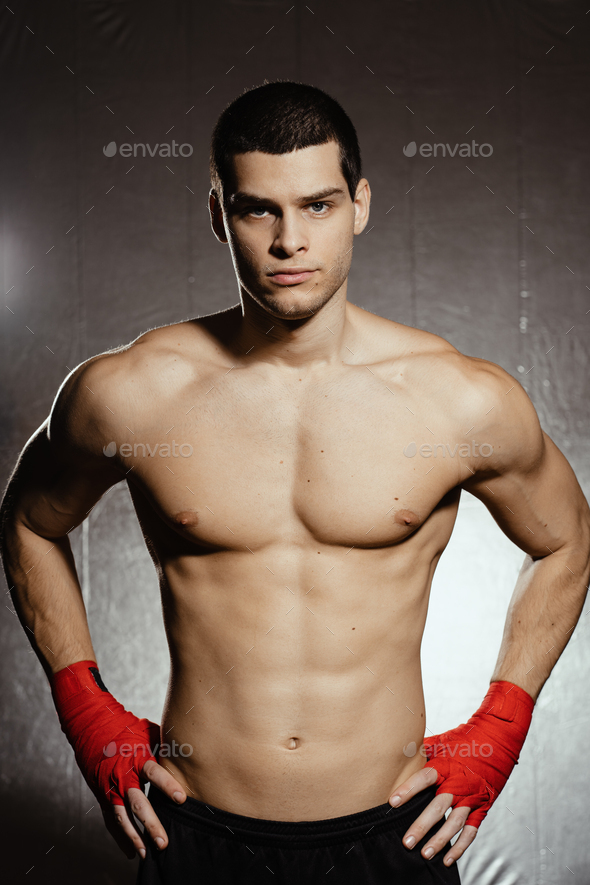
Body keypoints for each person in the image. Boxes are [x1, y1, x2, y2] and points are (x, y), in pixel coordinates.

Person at [2, 80, 589, 885]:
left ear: (361, 205)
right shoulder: (133, 392)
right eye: (257, 209)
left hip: (395, 837)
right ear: (218, 213)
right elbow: (29, 521)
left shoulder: (458, 399)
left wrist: (499, 730)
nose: (289, 242)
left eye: (317, 205)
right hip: (194, 835)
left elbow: (567, 539)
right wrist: (86, 710)